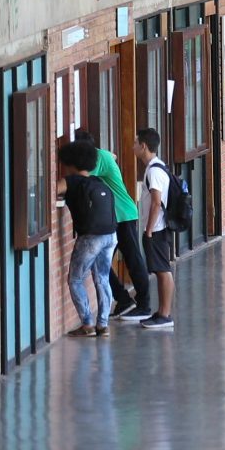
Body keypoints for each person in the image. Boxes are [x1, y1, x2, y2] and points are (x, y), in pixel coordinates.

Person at [74, 128, 151, 323]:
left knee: (133, 259)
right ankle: (124, 300)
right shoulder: (102, 156)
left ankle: (144, 304)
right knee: (100, 261)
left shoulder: (99, 157)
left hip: (123, 214)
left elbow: (81, 176)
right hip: (110, 218)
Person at [56, 140, 119, 338]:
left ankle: (87, 324)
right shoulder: (99, 182)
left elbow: (49, 191)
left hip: (91, 238)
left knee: (75, 279)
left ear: (72, 162)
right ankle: (103, 324)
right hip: (111, 235)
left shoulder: (71, 181)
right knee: (102, 278)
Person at [135, 128, 176, 331]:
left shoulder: (154, 171)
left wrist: (149, 230)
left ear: (143, 146)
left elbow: (156, 203)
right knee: (160, 271)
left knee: (163, 271)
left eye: (136, 144)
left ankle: (165, 314)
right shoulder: (156, 167)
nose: (134, 147)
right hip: (158, 228)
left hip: (157, 229)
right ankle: (161, 312)